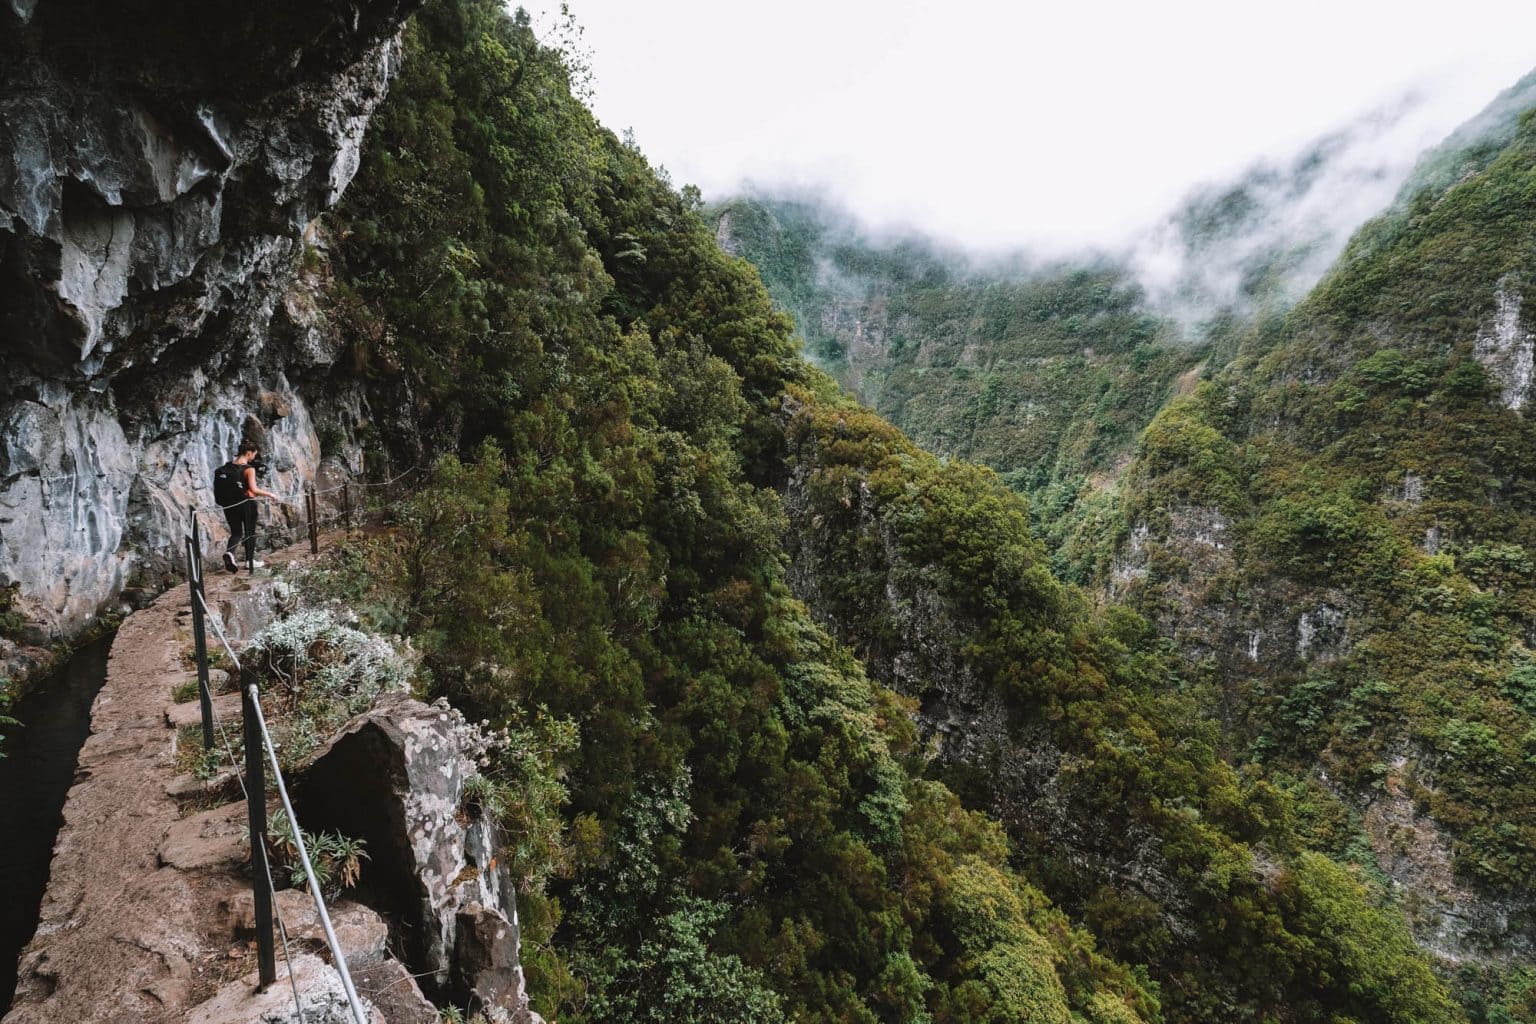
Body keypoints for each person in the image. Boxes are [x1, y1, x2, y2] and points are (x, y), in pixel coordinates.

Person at [213, 442, 278, 572]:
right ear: (249, 453)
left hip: (229, 505)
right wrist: (270, 494)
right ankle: (250, 561)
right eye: (253, 454)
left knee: (236, 532)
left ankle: (230, 553)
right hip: (246, 504)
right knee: (250, 532)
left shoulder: (224, 469)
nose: (253, 458)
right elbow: (254, 489)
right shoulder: (248, 469)